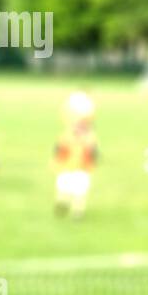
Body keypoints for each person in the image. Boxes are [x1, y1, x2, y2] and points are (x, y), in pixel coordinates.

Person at [53, 91, 98, 219]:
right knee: (80, 193)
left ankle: (64, 201)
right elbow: (93, 154)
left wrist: (57, 162)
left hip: (67, 166)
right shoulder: (90, 137)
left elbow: (59, 150)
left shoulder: (67, 134)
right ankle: (77, 211)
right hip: (82, 167)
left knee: (64, 188)